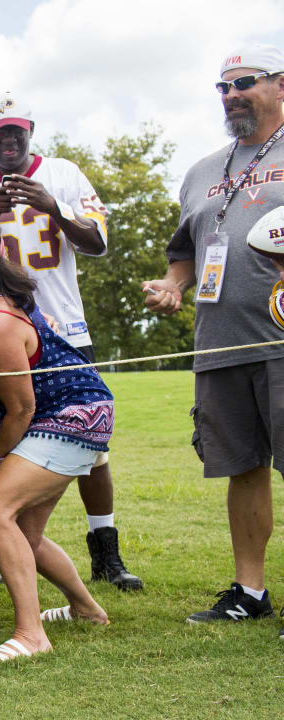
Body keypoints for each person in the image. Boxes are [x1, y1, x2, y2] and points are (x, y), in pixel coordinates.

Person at [0, 92, 141, 592]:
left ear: (31, 131)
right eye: (1, 133)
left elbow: (98, 243)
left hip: (63, 332)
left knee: (91, 451)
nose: (11, 140)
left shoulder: (63, 172)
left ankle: (106, 550)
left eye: (19, 131)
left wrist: (53, 208)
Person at [0, 201, 111, 661]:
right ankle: (87, 609)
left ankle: (31, 635)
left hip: (70, 415)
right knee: (23, 533)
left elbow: (22, 407)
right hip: (48, 417)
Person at [144, 43, 284, 635]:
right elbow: (186, 252)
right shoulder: (203, 170)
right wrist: (173, 287)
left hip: (279, 343)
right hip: (219, 343)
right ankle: (249, 591)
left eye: (244, 83)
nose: (231, 96)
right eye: (222, 87)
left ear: (280, 84)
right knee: (241, 468)